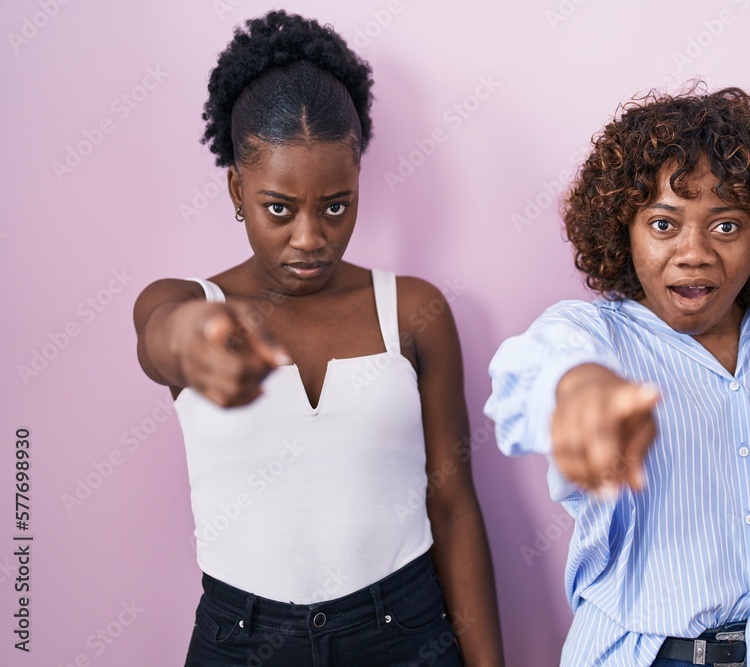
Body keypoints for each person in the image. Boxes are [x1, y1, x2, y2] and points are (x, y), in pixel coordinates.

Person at [132, 11, 503, 666]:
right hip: (238, 640)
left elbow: (452, 503)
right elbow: (158, 336)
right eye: (280, 208)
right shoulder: (191, 302)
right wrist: (187, 338)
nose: (311, 238)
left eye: (337, 204)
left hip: (405, 629)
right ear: (236, 190)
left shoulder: (412, 310)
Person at [485, 85, 750, 666]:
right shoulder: (595, 337)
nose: (694, 252)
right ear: (622, 229)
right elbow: (531, 368)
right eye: (663, 224)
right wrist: (578, 388)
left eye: (726, 226)